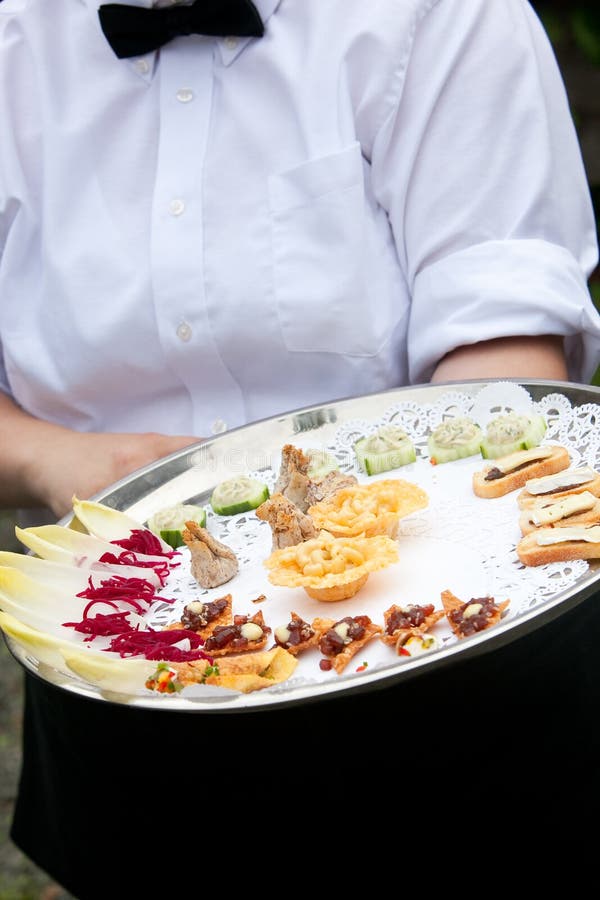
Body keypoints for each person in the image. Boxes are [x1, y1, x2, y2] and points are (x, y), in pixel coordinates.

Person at [1, 0, 599, 894]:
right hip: (130, 655)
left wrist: (388, 552)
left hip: (446, 647)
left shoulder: (447, 14)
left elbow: (501, 343)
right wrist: (56, 462)